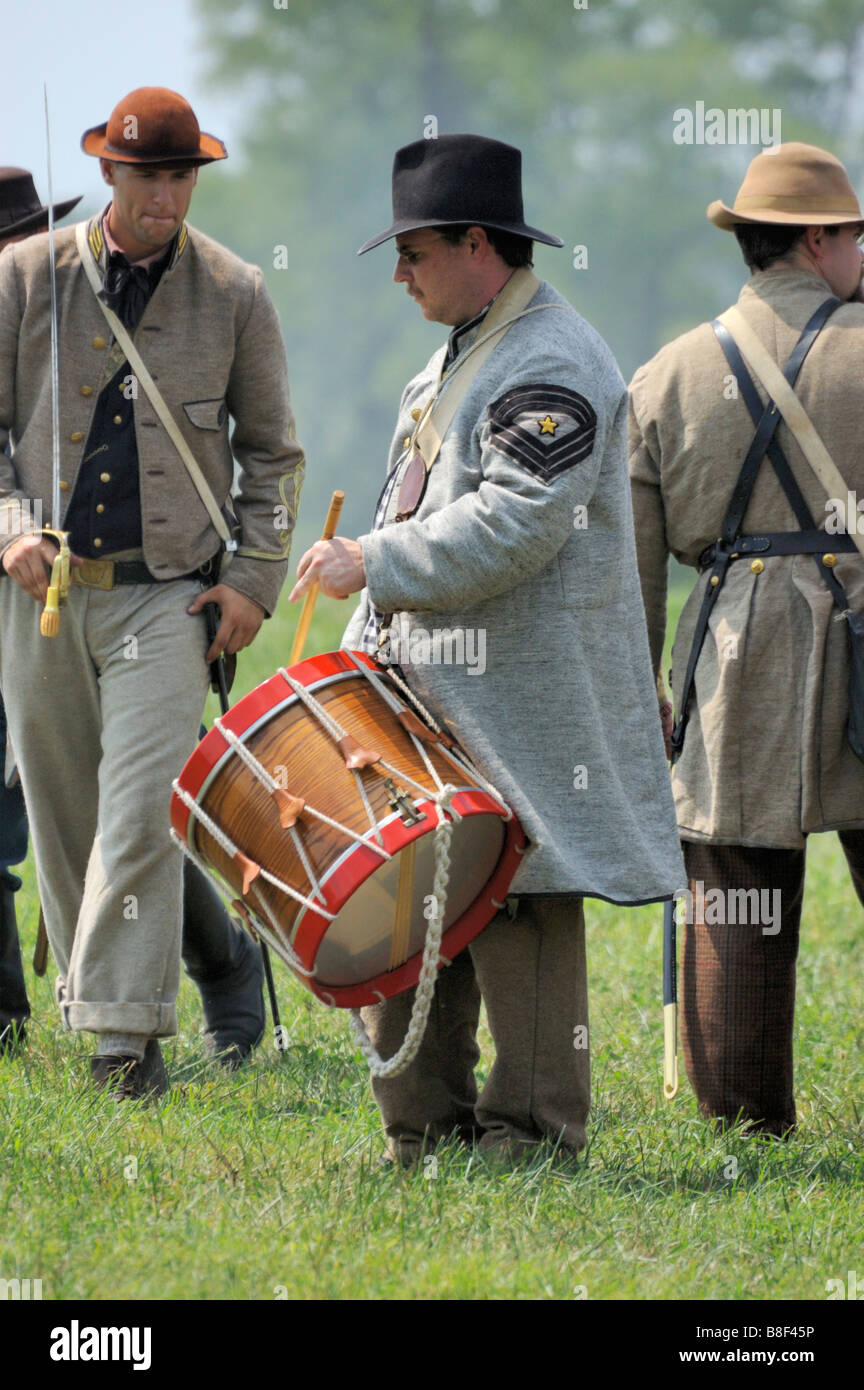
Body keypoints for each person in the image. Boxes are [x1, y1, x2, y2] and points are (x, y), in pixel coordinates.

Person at [290, 133, 683, 1165]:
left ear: (477, 244)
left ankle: (534, 1140)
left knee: (524, 908)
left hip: (518, 696)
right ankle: (426, 1133)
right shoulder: (458, 354)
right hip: (435, 691)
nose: (399, 273)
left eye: (414, 252)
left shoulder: (550, 357)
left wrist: (366, 562)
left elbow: (516, 525)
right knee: (414, 897)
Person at [0, 90, 305, 1096]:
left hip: (165, 598)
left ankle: (121, 1046)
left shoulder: (237, 292)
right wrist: (9, 528)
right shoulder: (24, 277)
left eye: (182, 176)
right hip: (42, 593)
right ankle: (201, 972)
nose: (167, 193)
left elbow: (273, 455)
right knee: (69, 820)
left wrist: (254, 582)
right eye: (149, 175)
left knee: (142, 815)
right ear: (109, 174)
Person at [629, 141, 864, 1135]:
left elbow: (632, 564)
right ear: (815, 239)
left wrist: (646, 683)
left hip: (733, 643)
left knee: (733, 889)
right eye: (854, 234)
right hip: (861, 633)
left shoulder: (670, 369)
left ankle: (743, 1116)